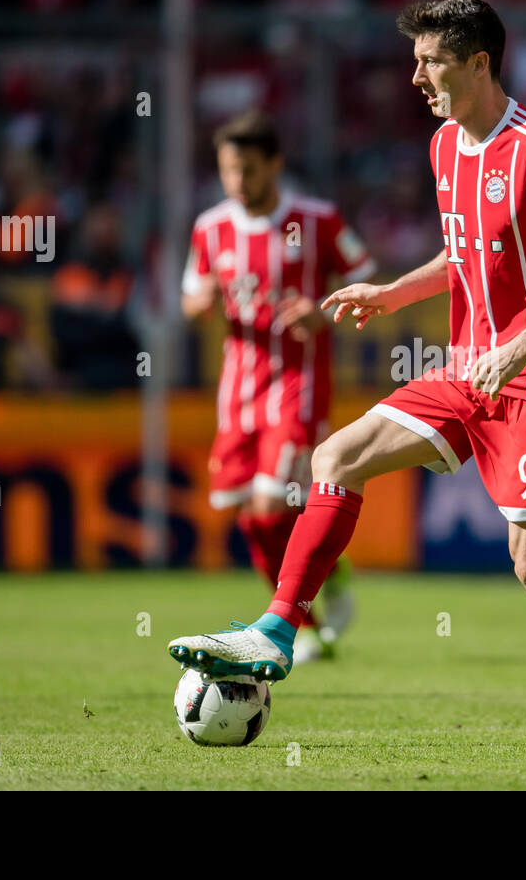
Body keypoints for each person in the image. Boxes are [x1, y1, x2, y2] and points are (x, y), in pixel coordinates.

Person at [169, 0, 526, 744]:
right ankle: (278, 630)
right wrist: (393, 290)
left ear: (478, 64)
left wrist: (518, 347)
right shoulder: (444, 146)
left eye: (430, 60)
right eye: (415, 61)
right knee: (337, 455)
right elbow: (466, 256)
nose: (416, 76)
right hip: (472, 367)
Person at [182, 111, 375, 663]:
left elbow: (369, 277)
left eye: (246, 169)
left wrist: (322, 312)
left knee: (270, 510)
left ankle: (293, 627)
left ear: (274, 165)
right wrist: (200, 305)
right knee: (251, 518)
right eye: (227, 171)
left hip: (299, 386)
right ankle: (322, 594)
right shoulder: (210, 227)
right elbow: (191, 296)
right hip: (238, 392)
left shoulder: (317, 220)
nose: (237, 182)